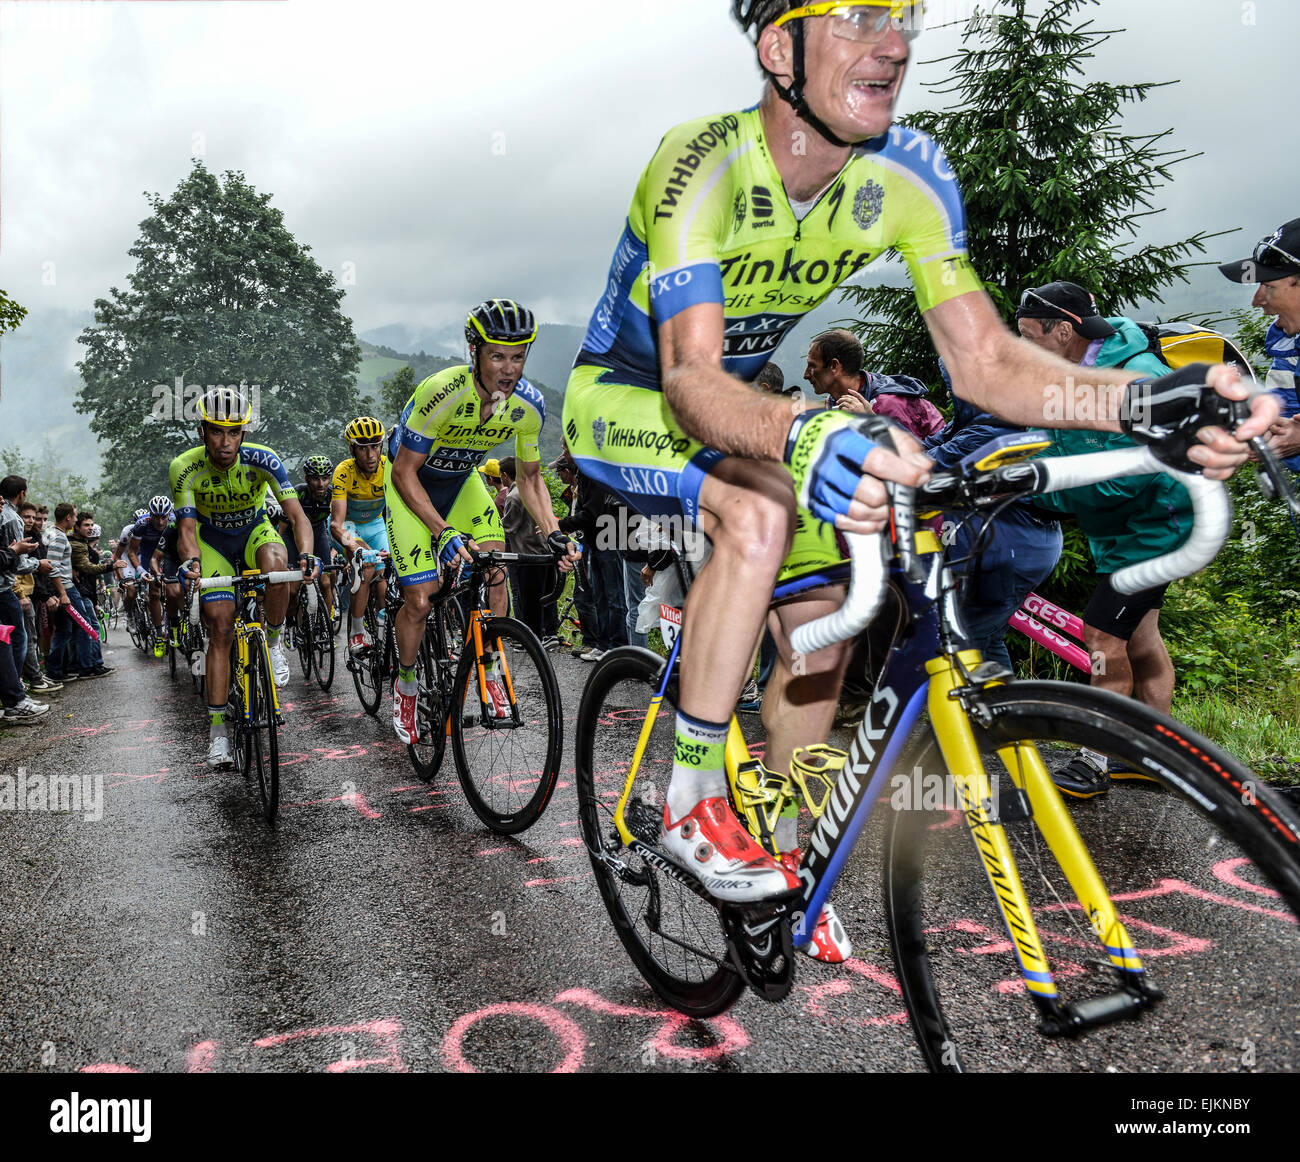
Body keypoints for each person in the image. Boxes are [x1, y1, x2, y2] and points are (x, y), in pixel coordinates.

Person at [560, 0, 1273, 936]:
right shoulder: (702, 160)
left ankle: (778, 848)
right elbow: (692, 381)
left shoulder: (912, 172)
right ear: (780, 48)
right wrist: (806, 432)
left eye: (902, 18)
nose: (893, 43)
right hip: (627, 395)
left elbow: (986, 362)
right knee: (762, 507)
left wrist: (1140, 403)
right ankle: (696, 801)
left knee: (824, 620)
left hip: (745, 408)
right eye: (857, 18)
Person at [1014, 280, 1189, 797]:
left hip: (1157, 527)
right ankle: (1155, 758)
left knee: (1100, 637)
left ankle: (1093, 760)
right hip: (1121, 531)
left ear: (1064, 329)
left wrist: (1039, 493)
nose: (1023, 347)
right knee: (1139, 639)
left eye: (1029, 336)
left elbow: (1126, 477)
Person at [384, 299, 578, 744]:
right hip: (410, 484)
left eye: (518, 356)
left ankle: (491, 668)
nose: (508, 369)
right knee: (419, 598)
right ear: (474, 352)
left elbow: (530, 478)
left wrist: (554, 534)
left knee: (494, 567)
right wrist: (444, 532)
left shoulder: (528, 407)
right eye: (497, 355)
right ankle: (407, 684)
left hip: (461, 483)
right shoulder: (443, 392)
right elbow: (402, 472)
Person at [172, 386, 319, 768]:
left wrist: (306, 555)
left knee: (277, 563)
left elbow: (298, 515)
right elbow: (187, 530)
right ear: (202, 431)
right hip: (213, 543)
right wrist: (191, 563)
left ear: (243, 433)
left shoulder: (264, 460)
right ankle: (218, 733)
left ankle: (273, 641)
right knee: (220, 627)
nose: (225, 442)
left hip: (254, 532)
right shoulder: (185, 467)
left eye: (234, 432)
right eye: (217, 431)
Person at [924, 359, 1063, 674]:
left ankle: (983, 717)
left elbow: (924, 466)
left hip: (1010, 549)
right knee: (984, 637)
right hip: (1005, 546)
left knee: (966, 640)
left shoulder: (990, 430)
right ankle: (1004, 712)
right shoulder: (974, 423)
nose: (948, 395)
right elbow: (926, 449)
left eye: (953, 387)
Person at [1218, 217, 1300, 467]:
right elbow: (1284, 416)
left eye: (1268, 286)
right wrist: (1260, 435)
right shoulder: (1288, 348)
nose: (1257, 300)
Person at [805, 328, 945, 437]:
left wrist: (869, 422)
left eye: (812, 366)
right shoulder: (833, 402)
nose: (806, 375)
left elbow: (911, 459)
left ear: (834, 366)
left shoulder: (887, 404)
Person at [330, 419, 390, 656]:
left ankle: (387, 625)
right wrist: (355, 548)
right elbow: (337, 523)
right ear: (352, 449)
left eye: (375, 446)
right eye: (363, 448)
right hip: (348, 526)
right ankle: (356, 632)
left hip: (376, 525)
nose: (370, 454)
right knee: (366, 564)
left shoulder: (389, 467)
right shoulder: (344, 472)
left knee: (389, 572)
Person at [499, 456, 560, 646]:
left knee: (530, 600)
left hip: (527, 554)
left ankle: (534, 640)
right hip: (546, 551)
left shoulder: (514, 496)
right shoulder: (537, 490)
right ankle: (551, 633)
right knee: (548, 595)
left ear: (504, 475)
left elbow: (508, 527)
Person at [0, 476, 47, 723]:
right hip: (4, 590)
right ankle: (15, 698)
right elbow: (14, 562)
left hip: (6, 589)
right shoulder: (11, 518)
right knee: (16, 640)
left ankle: (15, 695)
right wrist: (38, 562)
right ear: (21, 493)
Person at [278, 455, 338, 625]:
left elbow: (338, 524)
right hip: (292, 533)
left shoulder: (333, 495)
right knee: (293, 588)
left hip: (318, 531)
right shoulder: (298, 492)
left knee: (327, 580)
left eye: (325, 478)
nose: (321, 484)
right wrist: (284, 556)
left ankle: (326, 624)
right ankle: (290, 622)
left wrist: (337, 550)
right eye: (315, 479)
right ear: (307, 479)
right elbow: (282, 529)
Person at [127, 497, 176, 657]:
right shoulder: (141, 525)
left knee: (174, 589)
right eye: (156, 516)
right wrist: (141, 571)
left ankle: (177, 625)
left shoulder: (176, 520)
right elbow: (132, 552)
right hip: (148, 556)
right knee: (154, 594)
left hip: (169, 554)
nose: (160, 521)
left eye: (164, 517)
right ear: (150, 514)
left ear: (170, 514)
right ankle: (159, 635)